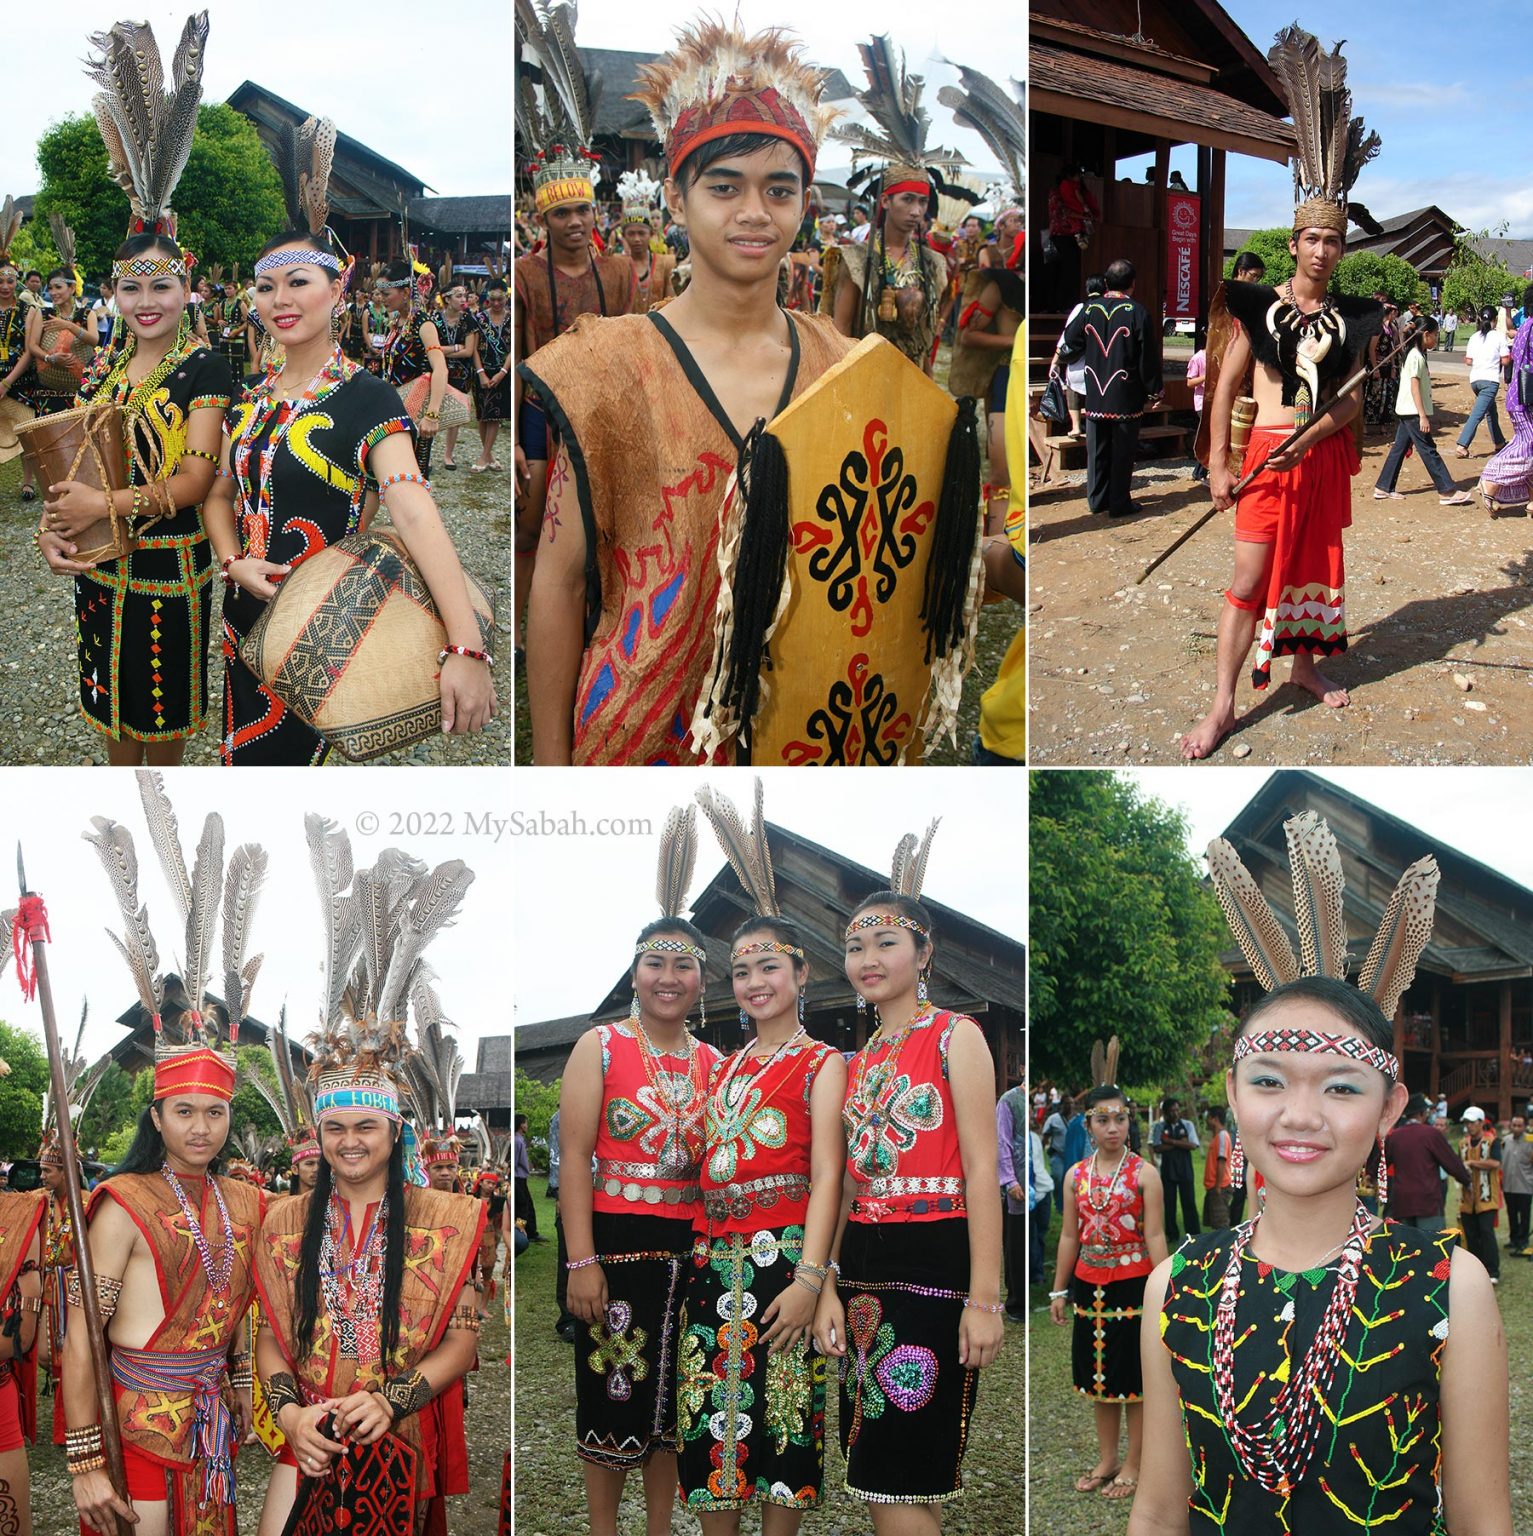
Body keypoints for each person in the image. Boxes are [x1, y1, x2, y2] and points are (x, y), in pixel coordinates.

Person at [1130, 814, 1511, 1536]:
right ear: (1233, 1094)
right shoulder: (1174, 1286)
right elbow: (1155, 1512)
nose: (1299, 1115)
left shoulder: (1449, 1286)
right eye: (1268, 1081)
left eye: (1340, 1087)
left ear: (1388, 1107)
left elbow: (1481, 1522)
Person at [518, 18, 853, 766]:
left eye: (779, 189)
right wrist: (548, 767)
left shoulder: (841, 366)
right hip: (635, 733)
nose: (754, 212)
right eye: (724, 187)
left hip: (799, 736)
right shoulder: (607, 366)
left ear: (804, 204)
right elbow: (560, 582)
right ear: (676, 198)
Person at [204, 119, 496, 764]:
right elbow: (220, 496)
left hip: (327, 626)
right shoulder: (248, 396)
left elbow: (413, 512)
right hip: (242, 614)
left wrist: (466, 644)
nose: (280, 299)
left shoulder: (368, 399)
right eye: (266, 287)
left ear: (337, 291)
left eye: (298, 282)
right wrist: (231, 562)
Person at [1182, 32, 1385, 759]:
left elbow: (1351, 401)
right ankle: (1222, 704)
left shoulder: (1351, 318)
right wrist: (1218, 463)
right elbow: (1226, 387)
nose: (1323, 251)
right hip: (1265, 454)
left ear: (1341, 249)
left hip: (1317, 456)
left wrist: (1317, 433)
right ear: (1295, 242)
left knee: (1311, 570)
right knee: (1249, 577)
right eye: (1312, 239)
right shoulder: (1259, 307)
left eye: (1334, 242)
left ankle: (1302, 667)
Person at [34, 25, 232, 766]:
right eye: (131, 288)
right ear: (113, 293)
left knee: (160, 723)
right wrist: (55, 528)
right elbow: (75, 464)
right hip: (100, 565)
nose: (146, 302)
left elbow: (196, 482)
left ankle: (160, 827)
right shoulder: (109, 366)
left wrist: (102, 506)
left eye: (162, 286)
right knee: (109, 715)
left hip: (167, 569)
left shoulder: (206, 368)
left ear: (187, 288)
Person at [814, 840, 1006, 1524]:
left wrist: (985, 1297)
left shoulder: (957, 1036)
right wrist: (827, 1283)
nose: (867, 958)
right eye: (854, 946)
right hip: (863, 1263)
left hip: (935, 1257)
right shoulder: (855, 1060)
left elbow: (981, 1170)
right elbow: (844, 1185)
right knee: (877, 1467)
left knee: (902, 1469)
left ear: (924, 954)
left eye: (885, 942)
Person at [679, 784, 846, 1526]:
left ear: (802, 974)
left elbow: (830, 1176)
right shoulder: (724, 1068)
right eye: (742, 971)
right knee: (706, 1423)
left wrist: (813, 1279)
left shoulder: (823, 1063)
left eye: (769, 966)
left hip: (786, 1263)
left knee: (784, 1427)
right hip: (713, 1261)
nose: (754, 982)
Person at [558, 807, 720, 1535]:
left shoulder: (717, 1064)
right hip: (615, 1245)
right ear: (634, 972)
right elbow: (573, 1159)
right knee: (610, 1393)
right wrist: (581, 1260)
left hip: (692, 1250)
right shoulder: (598, 1047)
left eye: (683, 965)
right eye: (655, 963)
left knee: (675, 1405)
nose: (668, 977)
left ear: (701, 980)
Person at [513, 2, 637, 640]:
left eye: (583, 211)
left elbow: (637, 346)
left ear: (594, 212)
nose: (575, 222)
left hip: (603, 407)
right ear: (544, 219)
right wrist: (514, 434)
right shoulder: (527, 276)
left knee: (606, 520)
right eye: (562, 214)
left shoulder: (618, 272)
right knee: (532, 517)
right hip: (542, 408)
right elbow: (517, 356)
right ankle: (528, 623)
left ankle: (601, 617)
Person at [1049, 1067, 1168, 1502]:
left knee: (1133, 1380)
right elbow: (1069, 1235)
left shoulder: (1145, 1174)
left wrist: (1166, 1292)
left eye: (1120, 1118)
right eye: (1103, 1120)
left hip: (1134, 1287)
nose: (1113, 1127)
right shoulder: (1075, 1176)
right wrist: (1059, 1289)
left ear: (1128, 1121)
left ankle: (1134, 1463)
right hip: (1089, 1286)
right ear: (1089, 1125)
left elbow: (1156, 1235)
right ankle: (1107, 1459)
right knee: (1099, 1380)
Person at [828, 36, 970, 373]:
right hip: (866, 374)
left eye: (922, 202)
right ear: (886, 201)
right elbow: (840, 331)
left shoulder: (932, 263)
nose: (917, 211)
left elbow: (928, 336)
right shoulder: (857, 259)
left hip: (913, 377)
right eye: (908, 200)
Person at [1055, 258, 1163, 517]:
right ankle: (1119, 503)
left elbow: (1069, 341)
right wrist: (1154, 389)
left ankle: (1097, 500)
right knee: (1123, 451)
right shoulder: (1137, 312)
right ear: (1133, 283)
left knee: (1097, 450)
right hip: (1126, 394)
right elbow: (1147, 357)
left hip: (1095, 391)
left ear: (1106, 282)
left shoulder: (1089, 309)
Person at [1373, 315, 1473, 503]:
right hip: (1413, 411)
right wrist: (1422, 416)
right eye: (1435, 334)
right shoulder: (1415, 357)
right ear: (1426, 334)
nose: (1436, 338)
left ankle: (1383, 487)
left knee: (1399, 448)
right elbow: (1414, 388)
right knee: (1428, 449)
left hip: (1409, 410)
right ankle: (1446, 490)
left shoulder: (1416, 355)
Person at [1480, 281, 1533, 513]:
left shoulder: (1526, 327)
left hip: (1519, 395)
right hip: (1526, 398)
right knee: (1528, 445)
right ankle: (1490, 480)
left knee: (1528, 445)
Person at [615, 173, 676, 316]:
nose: (637, 239)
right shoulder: (616, 265)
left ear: (651, 233)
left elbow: (672, 303)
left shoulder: (666, 263)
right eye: (631, 234)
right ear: (624, 235)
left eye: (642, 233)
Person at [432, 281, 477, 470]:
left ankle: (448, 455)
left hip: (461, 373)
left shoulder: (469, 320)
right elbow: (431, 348)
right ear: (447, 299)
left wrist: (442, 350)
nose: (463, 299)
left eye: (464, 295)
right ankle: (426, 453)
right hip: (438, 370)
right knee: (432, 410)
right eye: (458, 296)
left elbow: (468, 351)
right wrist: (455, 347)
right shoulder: (434, 319)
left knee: (455, 415)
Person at [1042, 167, 1099, 313]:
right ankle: (1064, 306)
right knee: (1068, 272)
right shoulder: (1062, 193)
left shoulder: (1054, 193)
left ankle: (1052, 307)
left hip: (1050, 237)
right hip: (1065, 237)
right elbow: (1065, 212)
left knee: (1053, 273)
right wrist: (1085, 215)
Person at [1455, 305, 1510, 457]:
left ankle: (1499, 442)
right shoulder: (1499, 336)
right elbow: (1505, 360)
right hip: (1490, 380)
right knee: (1477, 414)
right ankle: (1462, 444)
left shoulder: (1474, 337)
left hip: (1475, 380)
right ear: (1495, 319)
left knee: (1491, 412)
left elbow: (1468, 361)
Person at [471, 277, 512, 473]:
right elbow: (474, 348)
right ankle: (489, 456)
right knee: (482, 414)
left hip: (502, 372)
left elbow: (513, 349)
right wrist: (480, 373)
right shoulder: (479, 318)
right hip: (481, 371)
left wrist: (503, 373)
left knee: (494, 415)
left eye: (500, 299)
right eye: (492, 299)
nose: (496, 303)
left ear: (506, 298)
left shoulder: (512, 319)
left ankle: (483, 456)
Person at [1457, 1106, 1502, 1282]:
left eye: (1472, 1122)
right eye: (1466, 1123)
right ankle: (1476, 1269)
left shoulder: (1492, 1141)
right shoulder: (1462, 1143)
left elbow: (1495, 1163)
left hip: (1487, 1195)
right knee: (1471, 1234)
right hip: (1467, 1197)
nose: (1469, 1126)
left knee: (1486, 1232)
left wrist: (1472, 1163)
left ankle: (1492, 1271)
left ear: (1481, 1123)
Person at [1149, 1097, 1200, 1244]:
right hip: (1168, 1169)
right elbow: (1157, 1147)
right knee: (1169, 1203)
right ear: (1165, 1113)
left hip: (1185, 1169)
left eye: (1177, 1110)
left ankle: (1194, 1233)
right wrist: (1181, 1143)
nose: (1175, 1113)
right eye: (1171, 1111)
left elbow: (1193, 1145)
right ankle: (1172, 1234)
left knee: (1189, 1201)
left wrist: (1170, 1141)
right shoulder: (1159, 1127)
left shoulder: (1188, 1125)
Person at [1499, 1112, 1532, 1254]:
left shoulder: (1531, 1141)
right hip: (1508, 1185)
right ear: (1511, 1126)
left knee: (1524, 1215)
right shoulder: (1505, 1141)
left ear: (1525, 1126)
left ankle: (1523, 1240)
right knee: (1511, 1214)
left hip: (1525, 1185)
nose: (1517, 1128)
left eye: (1520, 1125)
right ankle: (1513, 1238)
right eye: (1514, 1125)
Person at [1201, 1105, 1232, 1229]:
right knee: (1215, 1222)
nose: (1206, 1121)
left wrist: (1218, 1187)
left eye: (1208, 1117)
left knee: (1221, 1224)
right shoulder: (1217, 1137)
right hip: (1214, 1186)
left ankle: (1225, 1243)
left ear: (1215, 1119)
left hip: (1220, 1187)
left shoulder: (1222, 1136)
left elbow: (1222, 1160)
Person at [1041, 1094, 1072, 1213]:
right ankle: (1059, 1204)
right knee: (1058, 1178)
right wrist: (1039, 1154)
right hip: (1057, 1155)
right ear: (1062, 1105)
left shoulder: (1076, 1120)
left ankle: (1070, 1204)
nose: (1070, 1106)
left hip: (1072, 1156)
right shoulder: (1053, 1119)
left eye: (1072, 1103)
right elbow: (1045, 1136)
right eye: (1067, 1103)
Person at [512, 1114, 541, 1243]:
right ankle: (521, 1229)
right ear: (521, 1125)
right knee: (523, 1205)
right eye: (525, 1123)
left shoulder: (520, 1140)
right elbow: (514, 1162)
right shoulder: (517, 1141)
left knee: (527, 1205)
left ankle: (530, 1231)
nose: (527, 1126)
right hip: (518, 1178)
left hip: (521, 1178)